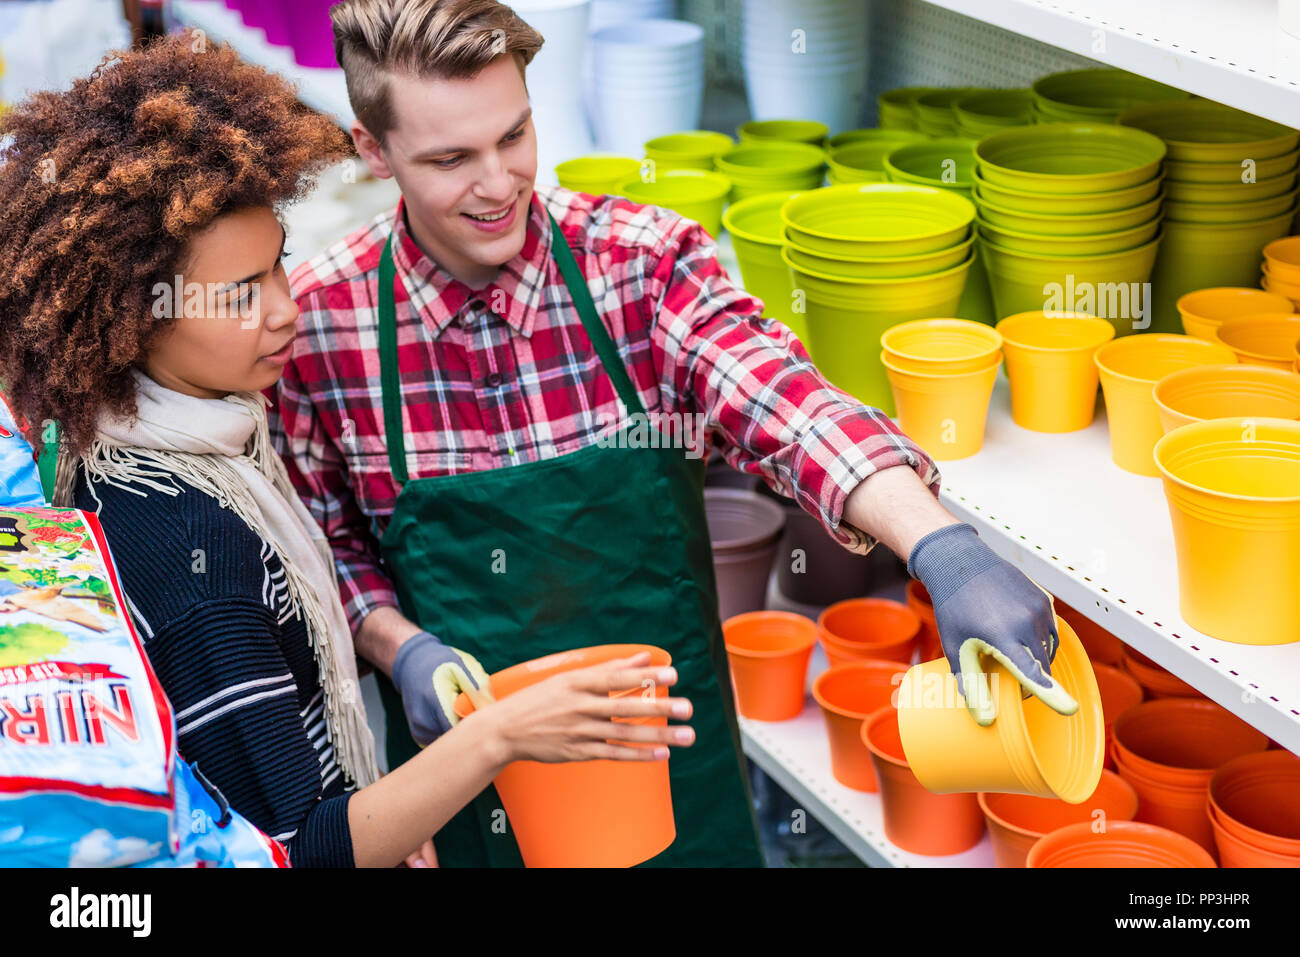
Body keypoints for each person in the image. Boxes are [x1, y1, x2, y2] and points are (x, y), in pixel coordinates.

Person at [271, 0, 1078, 868]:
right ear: (371, 149)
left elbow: (785, 402)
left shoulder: (641, 266)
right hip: (478, 800)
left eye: (514, 135)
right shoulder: (319, 322)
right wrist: (402, 649)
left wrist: (942, 547)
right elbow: (328, 546)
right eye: (450, 159)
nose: (500, 181)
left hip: (672, 776)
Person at [0, 33, 696, 869]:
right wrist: (501, 736)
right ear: (134, 317)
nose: (287, 308)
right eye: (239, 293)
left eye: (278, 267)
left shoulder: (182, 440)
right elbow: (306, 850)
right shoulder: (200, 564)